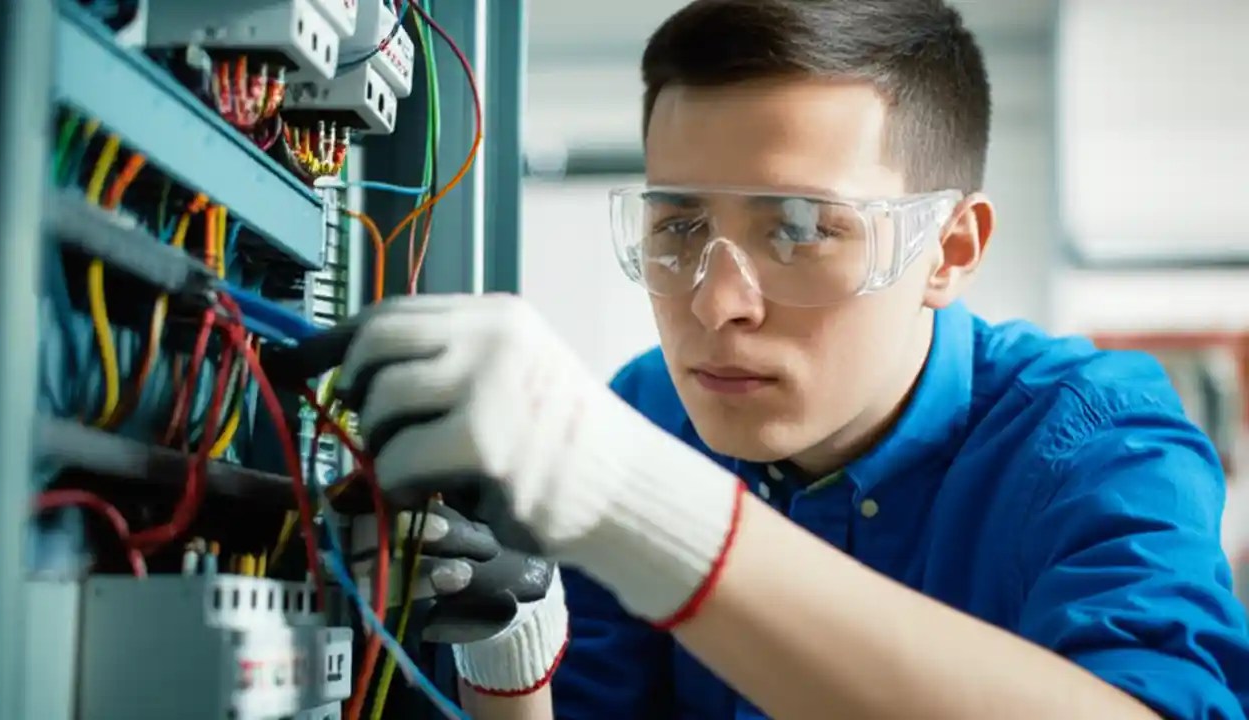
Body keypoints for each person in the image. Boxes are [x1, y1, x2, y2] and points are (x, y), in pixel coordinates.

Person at [338, 0, 1249, 717]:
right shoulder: (648, 412)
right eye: (679, 225)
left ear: (951, 250)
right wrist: (510, 662)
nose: (714, 300)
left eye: (802, 228)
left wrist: (650, 513)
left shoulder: (1099, 440)